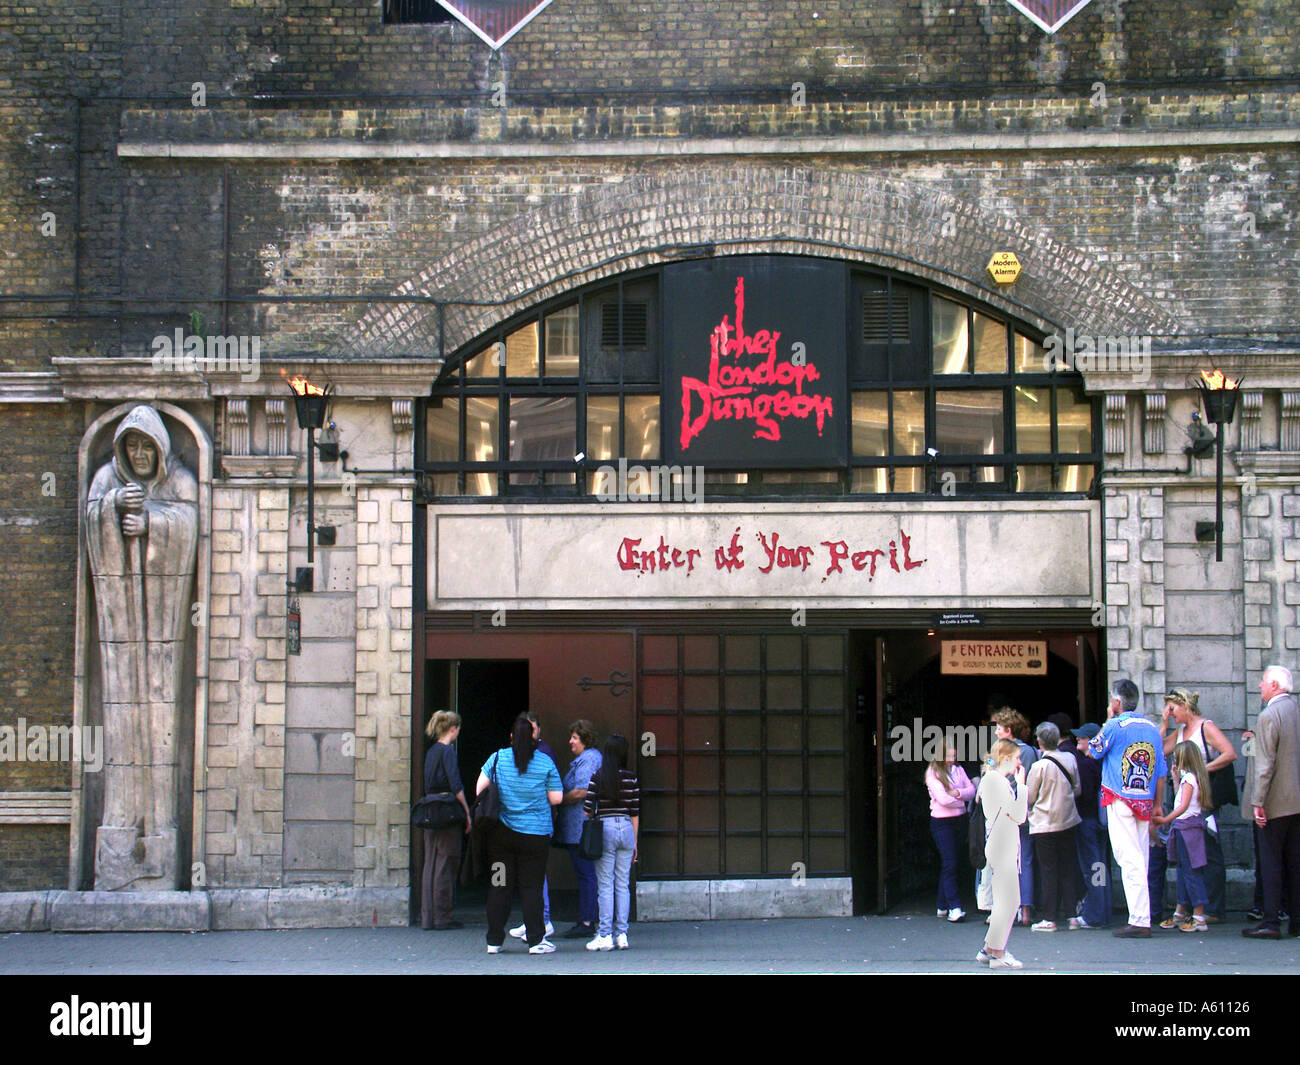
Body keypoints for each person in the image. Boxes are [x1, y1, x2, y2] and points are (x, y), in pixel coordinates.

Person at [85, 405, 199, 890]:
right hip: (120, 629)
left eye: (145, 444)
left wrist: (151, 521)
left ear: (160, 447)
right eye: (130, 445)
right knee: (121, 713)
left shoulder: (182, 481)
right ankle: (119, 837)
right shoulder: (105, 479)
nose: (138, 453)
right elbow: (92, 520)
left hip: (164, 623)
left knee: (161, 706)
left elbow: (188, 523)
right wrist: (112, 510)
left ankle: (159, 834)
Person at [477, 715, 563, 954]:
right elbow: (557, 798)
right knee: (532, 887)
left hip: (501, 837)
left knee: (499, 885)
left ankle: (494, 941)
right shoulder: (545, 762)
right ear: (534, 738)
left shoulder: (497, 758)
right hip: (535, 837)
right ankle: (536, 940)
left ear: (511, 737)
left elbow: (480, 788)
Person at [1088, 678, 1167, 937]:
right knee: (1140, 857)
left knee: (1128, 858)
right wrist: (1158, 804)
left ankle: (1140, 919)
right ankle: (1142, 914)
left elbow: (1094, 750)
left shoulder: (1115, 725)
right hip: (1144, 798)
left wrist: (1107, 719)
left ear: (1116, 702)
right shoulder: (1152, 728)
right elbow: (1161, 770)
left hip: (1120, 797)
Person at [1159, 687, 1234, 922]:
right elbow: (1159, 749)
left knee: (1208, 851)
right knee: (1190, 855)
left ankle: (1213, 908)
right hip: (1185, 795)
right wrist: (1163, 724)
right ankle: (1196, 906)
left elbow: (1229, 753)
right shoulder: (1180, 732)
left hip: (1202, 798)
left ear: (1185, 706)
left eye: (1172, 709)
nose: (1170, 713)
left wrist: (1201, 770)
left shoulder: (1205, 727)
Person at [1242, 665, 1300, 939]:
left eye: (1263, 682)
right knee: (1294, 863)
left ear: (1275, 685)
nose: (1260, 686)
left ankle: (1270, 921)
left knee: (1271, 863)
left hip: (1274, 803)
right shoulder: (1295, 710)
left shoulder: (1269, 715)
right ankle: (1296, 921)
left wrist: (1258, 801)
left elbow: (1265, 764)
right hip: (1296, 802)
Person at [583, 734, 640, 951]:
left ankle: (605, 934)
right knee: (622, 884)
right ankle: (622, 935)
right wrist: (635, 842)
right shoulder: (631, 778)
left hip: (605, 828)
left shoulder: (598, 776)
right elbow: (635, 812)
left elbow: (587, 810)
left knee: (605, 884)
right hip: (626, 828)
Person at [977, 738, 1029, 969]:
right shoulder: (996, 782)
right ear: (1006, 758)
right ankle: (998, 953)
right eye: (1016, 758)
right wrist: (1022, 786)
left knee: (1005, 900)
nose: (1019, 762)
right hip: (1003, 844)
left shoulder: (993, 780)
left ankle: (990, 948)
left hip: (1000, 843)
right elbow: (1018, 815)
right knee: (1009, 901)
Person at [1152, 740, 1214, 932]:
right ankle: (1182, 913)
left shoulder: (1189, 779)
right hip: (1188, 828)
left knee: (1190, 872)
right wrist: (1175, 778)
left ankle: (1198, 916)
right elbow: (1182, 799)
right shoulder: (1192, 778)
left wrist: (1165, 819)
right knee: (1185, 870)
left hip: (1186, 828)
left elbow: (1182, 806)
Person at [1025, 721, 1081, 931]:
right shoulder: (1070, 759)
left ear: (1039, 741)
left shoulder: (1038, 766)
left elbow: (1029, 797)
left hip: (1044, 823)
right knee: (1067, 867)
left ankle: (1049, 917)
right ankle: (1072, 916)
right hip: (1068, 820)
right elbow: (1077, 789)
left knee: (1048, 870)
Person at [509, 711, 560, 941]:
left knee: (535, 874)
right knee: (530, 874)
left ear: (539, 730)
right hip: (532, 823)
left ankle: (543, 919)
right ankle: (534, 919)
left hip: (536, 823)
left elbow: (555, 794)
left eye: (532, 728)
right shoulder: (525, 754)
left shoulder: (543, 754)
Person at [421, 710, 472, 931]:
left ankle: (428, 917)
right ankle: (443, 916)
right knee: (446, 862)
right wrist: (467, 811)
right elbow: (456, 784)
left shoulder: (431, 751)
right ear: (453, 728)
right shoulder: (448, 752)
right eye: (458, 728)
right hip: (447, 811)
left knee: (430, 863)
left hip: (430, 809)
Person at [556, 719, 603, 940]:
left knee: (586, 874)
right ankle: (587, 918)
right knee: (586, 874)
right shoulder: (588, 758)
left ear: (584, 739)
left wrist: (559, 800)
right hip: (578, 827)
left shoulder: (589, 759)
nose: (570, 742)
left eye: (574, 738)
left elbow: (582, 790)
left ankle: (587, 921)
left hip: (581, 828)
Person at [992, 707, 1038, 925]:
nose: (996, 732)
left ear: (1008, 730)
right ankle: (1025, 909)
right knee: (1025, 860)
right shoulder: (1031, 751)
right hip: (1024, 810)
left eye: (998, 728)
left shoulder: (1005, 752)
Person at [926, 739, 975, 922]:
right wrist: (962, 799)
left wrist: (958, 793)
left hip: (959, 820)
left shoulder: (958, 770)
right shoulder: (933, 772)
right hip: (942, 822)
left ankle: (942, 905)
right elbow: (943, 799)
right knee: (950, 862)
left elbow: (972, 790)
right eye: (948, 755)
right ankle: (955, 907)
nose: (952, 759)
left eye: (954, 755)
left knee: (951, 863)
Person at [1072, 722, 1110, 928]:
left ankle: (1095, 915)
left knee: (1092, 868)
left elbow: (1084, 795)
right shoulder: (1103, 761)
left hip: (1087, 820)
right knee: (1100, 866)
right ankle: (1103, 911)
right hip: (1101, 820)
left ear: (1093, 741)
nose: (1078, 739)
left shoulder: (1086, 764)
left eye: (1083, 737)